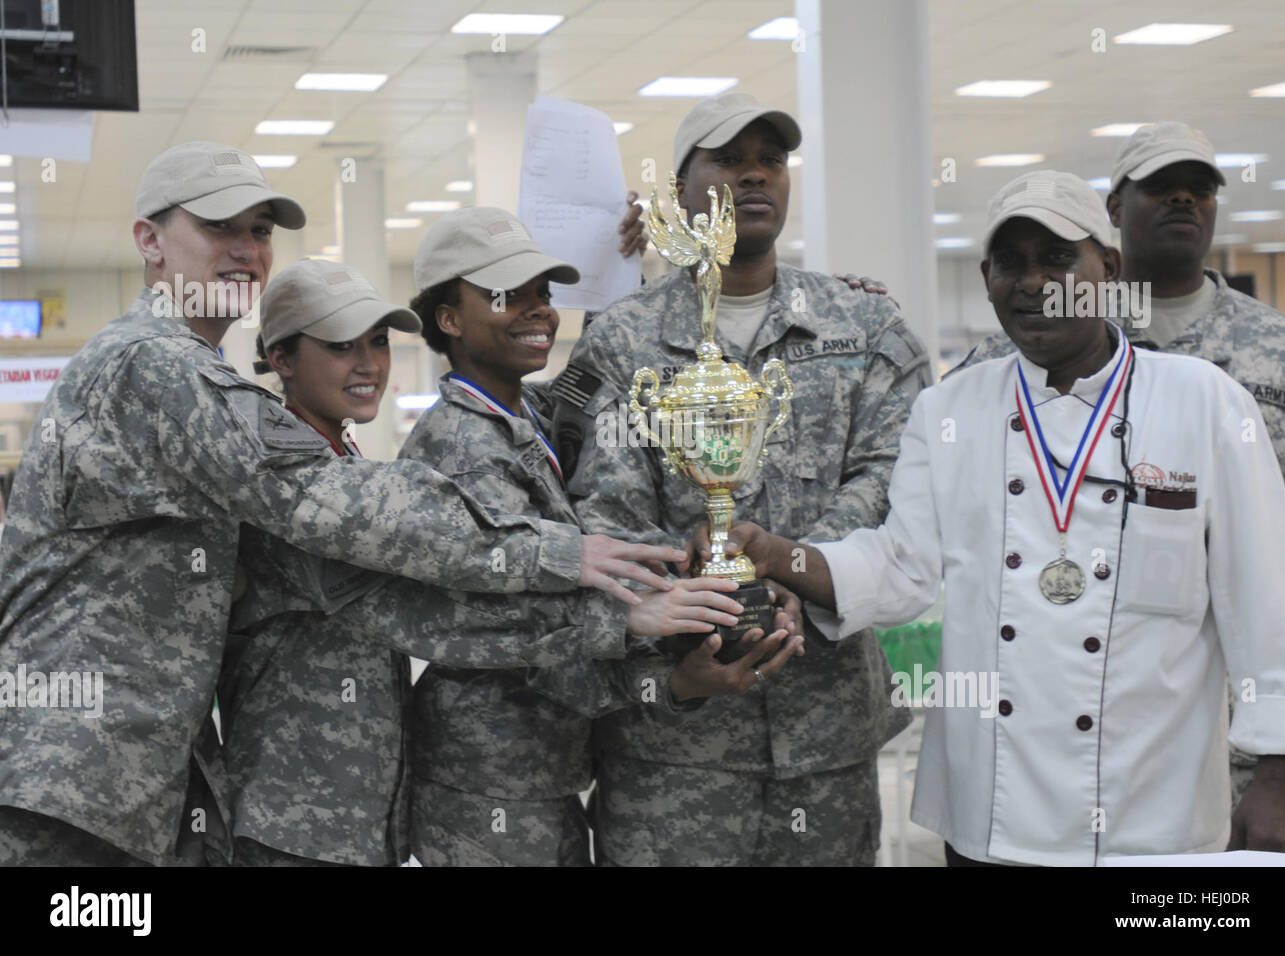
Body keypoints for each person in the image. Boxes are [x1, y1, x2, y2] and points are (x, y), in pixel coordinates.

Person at [0, 142, 681, 867]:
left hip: (138, 782)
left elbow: (406, 598)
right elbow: (326, 499)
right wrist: (565, 559)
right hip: (77, 780)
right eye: (219, 228)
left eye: (259, 231)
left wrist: (621, 286)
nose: (245, 250)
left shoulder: (192, 376)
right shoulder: (151, 364)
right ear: (149, 240)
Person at [724, 170, 1285, 865]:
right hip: (992, 814)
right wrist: (774, 551)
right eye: (1011, 264)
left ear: (1108, 269)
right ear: (987, 278)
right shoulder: (950, 410)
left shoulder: (1202, 401)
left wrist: (1282, 771)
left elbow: (1268, 596)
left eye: (1058, 259)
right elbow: (901, 567)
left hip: (1156, 809)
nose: (1032, 283)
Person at [214, 254, 800, 866]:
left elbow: (588, 382)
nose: (368, 364)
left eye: (379, 342)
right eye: (341, 346)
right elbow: (459, 621)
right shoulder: (300, 492)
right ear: (281, 359)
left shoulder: (349, 462)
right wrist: (635, 632)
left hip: (367, 808)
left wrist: (623, 259)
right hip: (310, 815)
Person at [549, 91, 932, 866]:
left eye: (771, 161)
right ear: (680, 190)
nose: (755, 177)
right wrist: (706, 589)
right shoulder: (624, 340)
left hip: (825, 742)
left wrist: (797, 564)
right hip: (673, 746)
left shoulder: (863, 328)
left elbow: (894, 477)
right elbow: (601, 505)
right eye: (728, 161)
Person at [399, 207, 803, 866]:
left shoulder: (526, 413)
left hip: (545, 774)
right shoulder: (461, 446)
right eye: (508, 296)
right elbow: (527, 626)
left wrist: (644, 265)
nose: (538, 312)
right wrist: (669, 672)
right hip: (490, 785)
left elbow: (597, 377)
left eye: (544, 295)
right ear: (449, 319)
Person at [950, 122, 1285, 808]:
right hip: (1065, 726)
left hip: (1239, 718)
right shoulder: (1014, 360)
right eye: (1160, 188)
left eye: (1200, 189)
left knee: (1192, 918)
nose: (1184, 202)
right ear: (1113, 215)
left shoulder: (1281, 348)